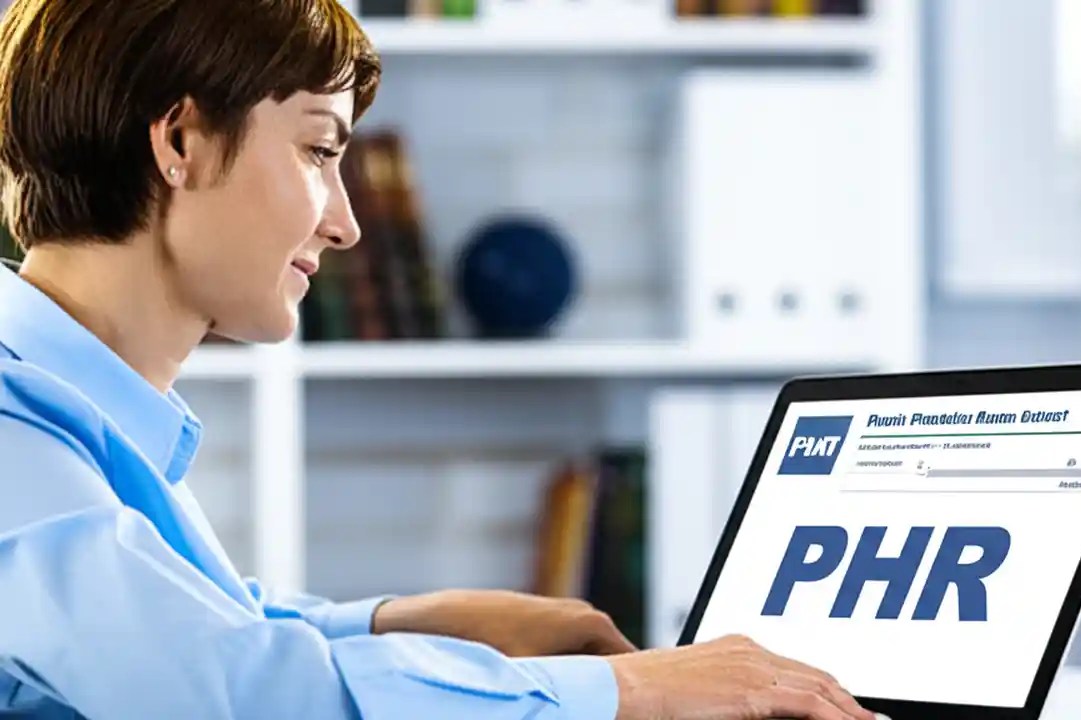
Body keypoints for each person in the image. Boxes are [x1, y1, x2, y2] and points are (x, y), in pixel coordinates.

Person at [0, 1, 875, 719]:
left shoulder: (68, 421)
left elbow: (208, 629)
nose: (343, 222)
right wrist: (628, 689)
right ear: (180, 143)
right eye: (317, 150)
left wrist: (403, 623)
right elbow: (224, 691)